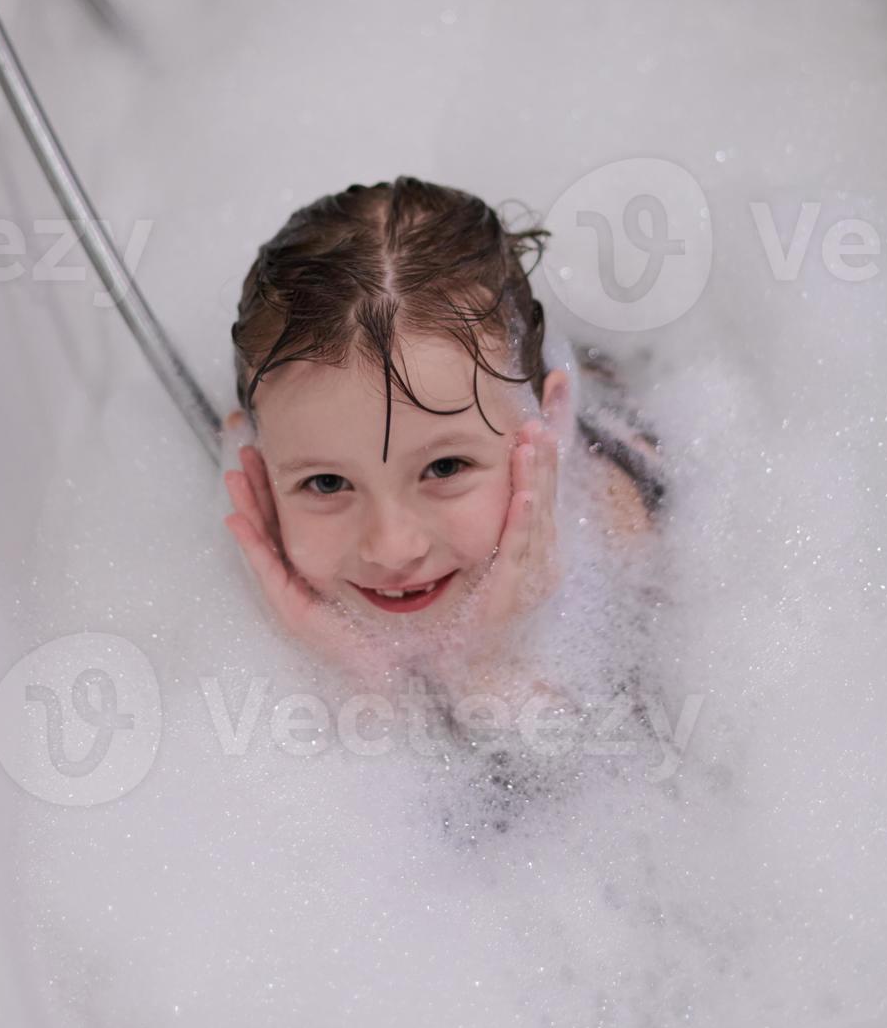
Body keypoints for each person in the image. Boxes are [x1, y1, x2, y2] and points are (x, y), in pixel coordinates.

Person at [222, 177, 667, 732]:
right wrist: (369, 677)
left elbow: (662, 792)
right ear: (257, 458)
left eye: (445, 468)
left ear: (547, 421)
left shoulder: (625, 528)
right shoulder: (232, 587)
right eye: (328, 484)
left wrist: (492, 666)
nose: (392, 548)